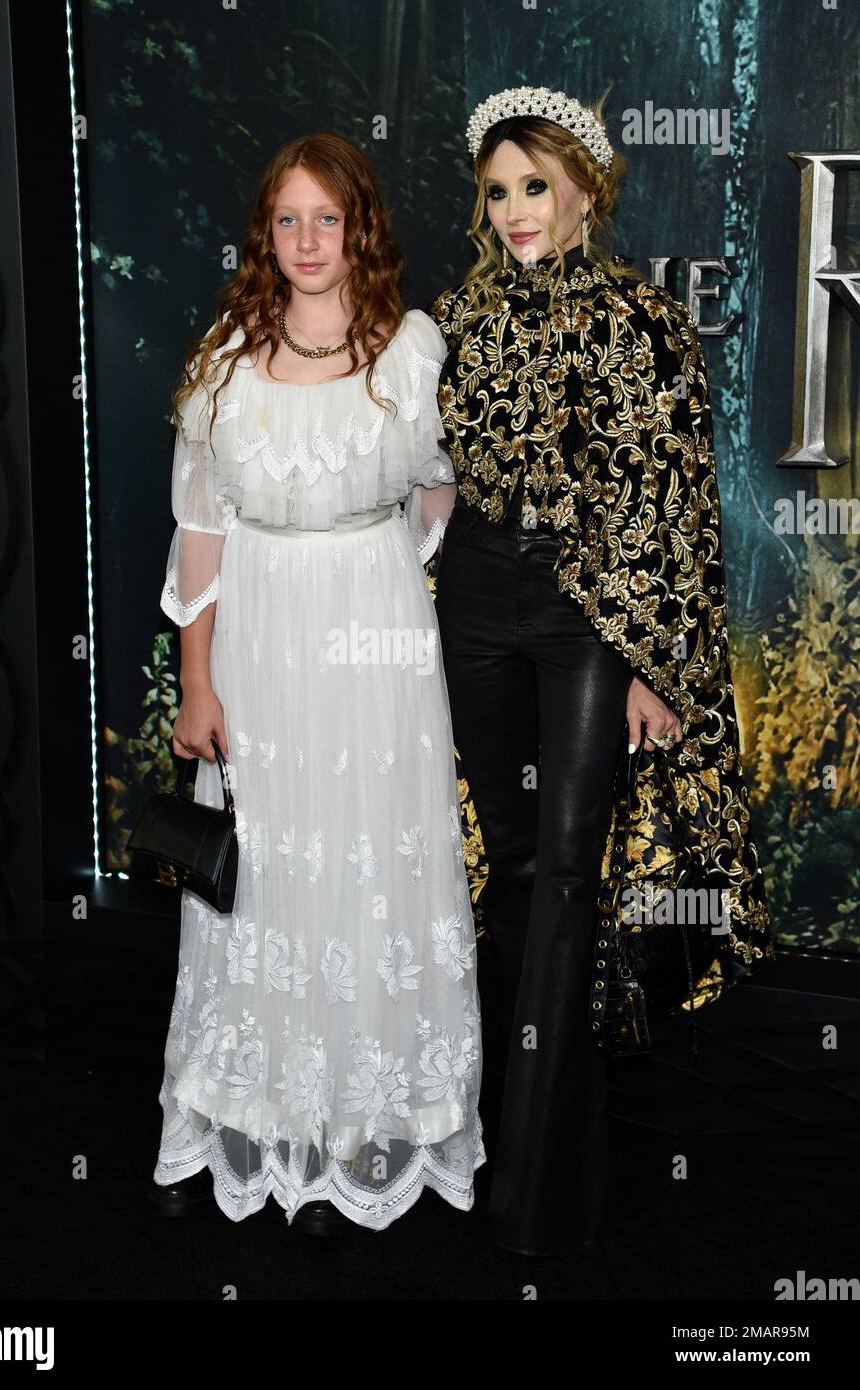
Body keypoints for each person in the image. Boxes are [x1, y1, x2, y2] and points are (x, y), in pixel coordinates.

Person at [428, 86, 773, 1256]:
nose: (518, 210)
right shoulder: (458, 319)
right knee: (515, 869)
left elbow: (675, 503)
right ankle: (523, 1151)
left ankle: (534, 1201)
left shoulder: (647, 321)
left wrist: (652, 662)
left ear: (585, 187)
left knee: (572, 872)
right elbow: (429, 477)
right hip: (476, 592)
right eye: (499, 191)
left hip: (592, 614)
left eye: (537, 185)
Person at [148, 132, 484, 1235]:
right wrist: (198, 687)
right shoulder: (224, 362)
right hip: (259, 643)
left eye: (326, 220)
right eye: (287, 220)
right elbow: (199, 534)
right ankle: (262, 1113)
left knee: (374, 865)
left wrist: (372, 574)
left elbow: (435, 496)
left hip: (376, 644)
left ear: (360, 230)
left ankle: (365, 1123)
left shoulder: (412, 351)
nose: (306, 241)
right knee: (273, 874)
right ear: (267, 233)